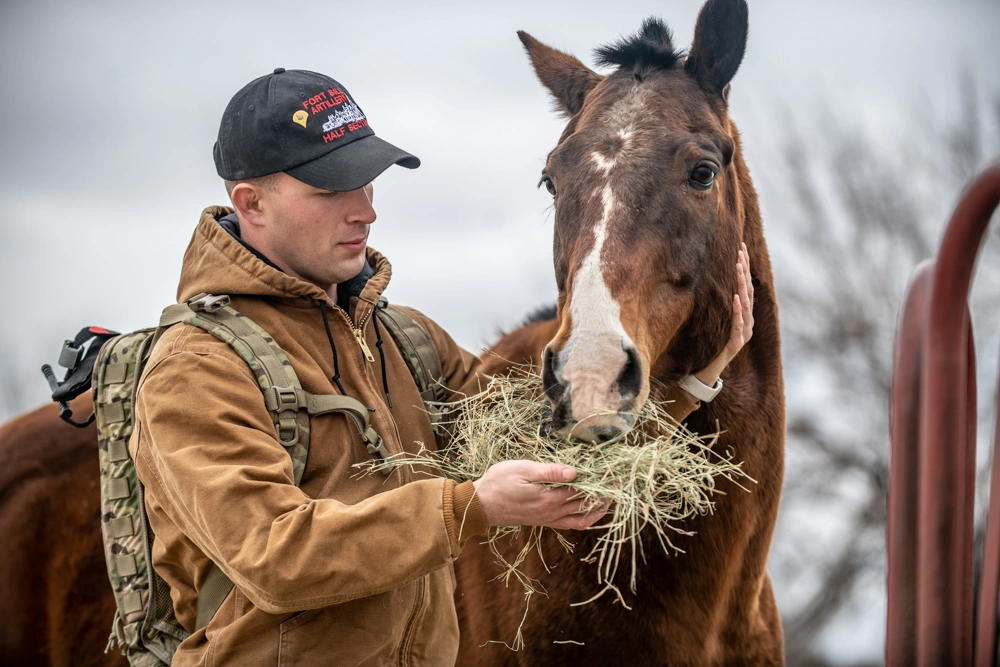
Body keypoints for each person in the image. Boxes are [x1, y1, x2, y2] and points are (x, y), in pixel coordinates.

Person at [130, 68, 753, 666]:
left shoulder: (404, 338)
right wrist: (469, 507)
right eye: (330, 190)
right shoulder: (196, 368)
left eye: (367, 182)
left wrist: (697, 380)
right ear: (251, 202)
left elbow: (555, 452)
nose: (365, 211)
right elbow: (276, 557)